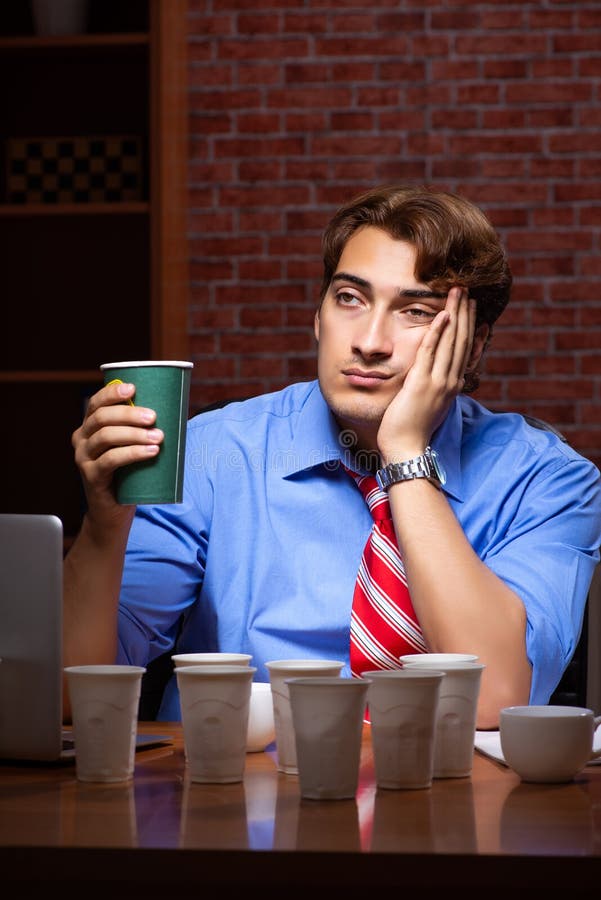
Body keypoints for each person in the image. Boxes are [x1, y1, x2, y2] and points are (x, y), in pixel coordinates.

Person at [63, 184, 601, 730]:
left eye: (415, 311)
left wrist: (406, 456)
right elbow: (71, 695)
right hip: (237, 792)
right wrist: (104, 527)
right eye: (350, 298)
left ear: (474, 344)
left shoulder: (550, 480)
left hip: (449, 796)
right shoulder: (213, 453)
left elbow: (492, 700)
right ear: (319, 316)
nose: (369, 340)